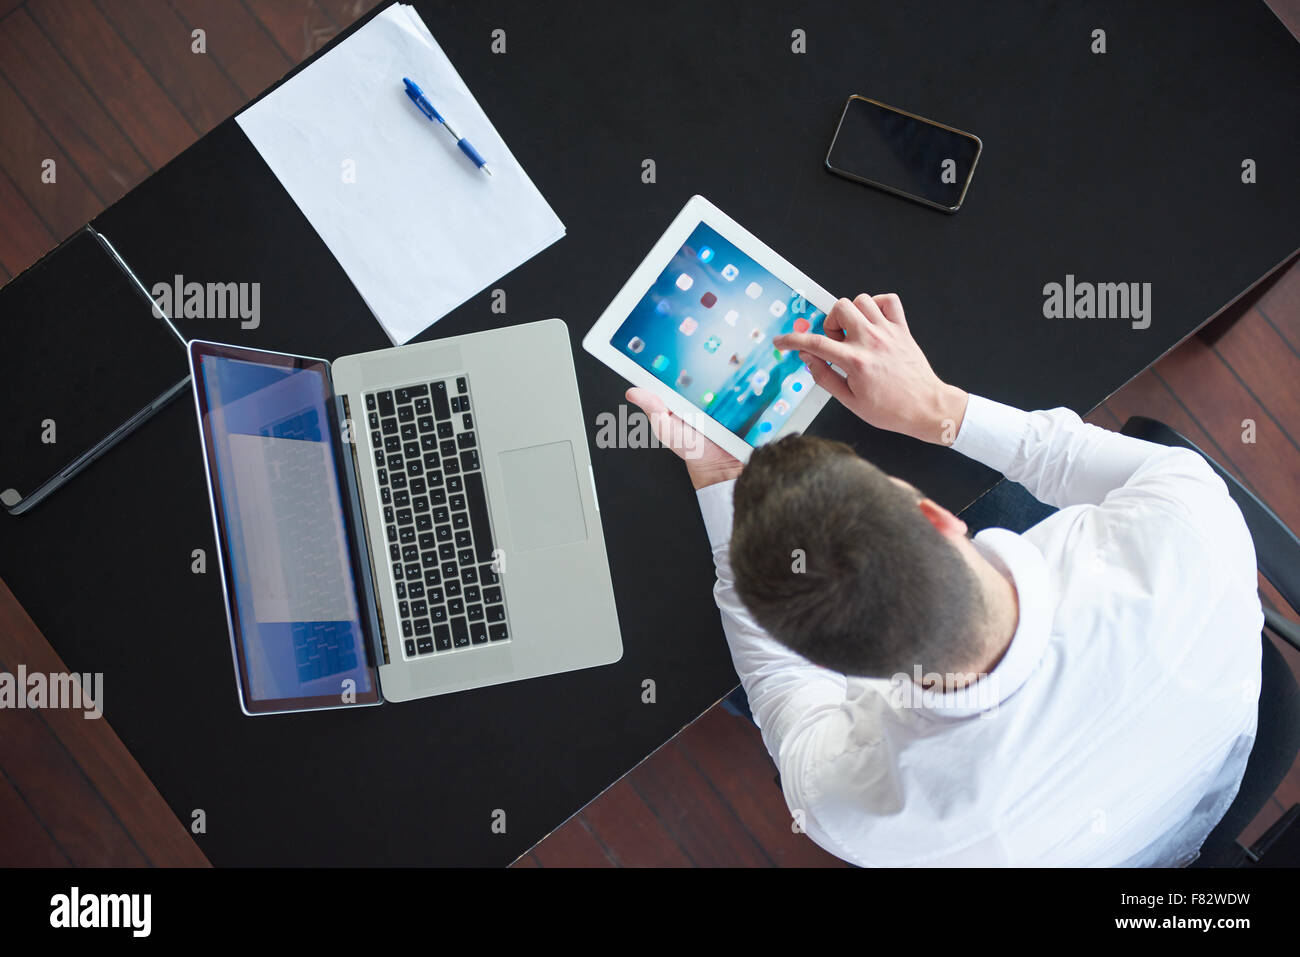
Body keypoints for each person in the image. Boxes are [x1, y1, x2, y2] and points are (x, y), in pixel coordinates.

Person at [627, 292, 1262, 867]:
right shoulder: (1195, 532)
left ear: (845, 680)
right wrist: (936, 406)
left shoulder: (858, 812)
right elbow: (1067, 455)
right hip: (1181, 803)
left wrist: (718, 475)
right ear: (936, 516)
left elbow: (778, 681)